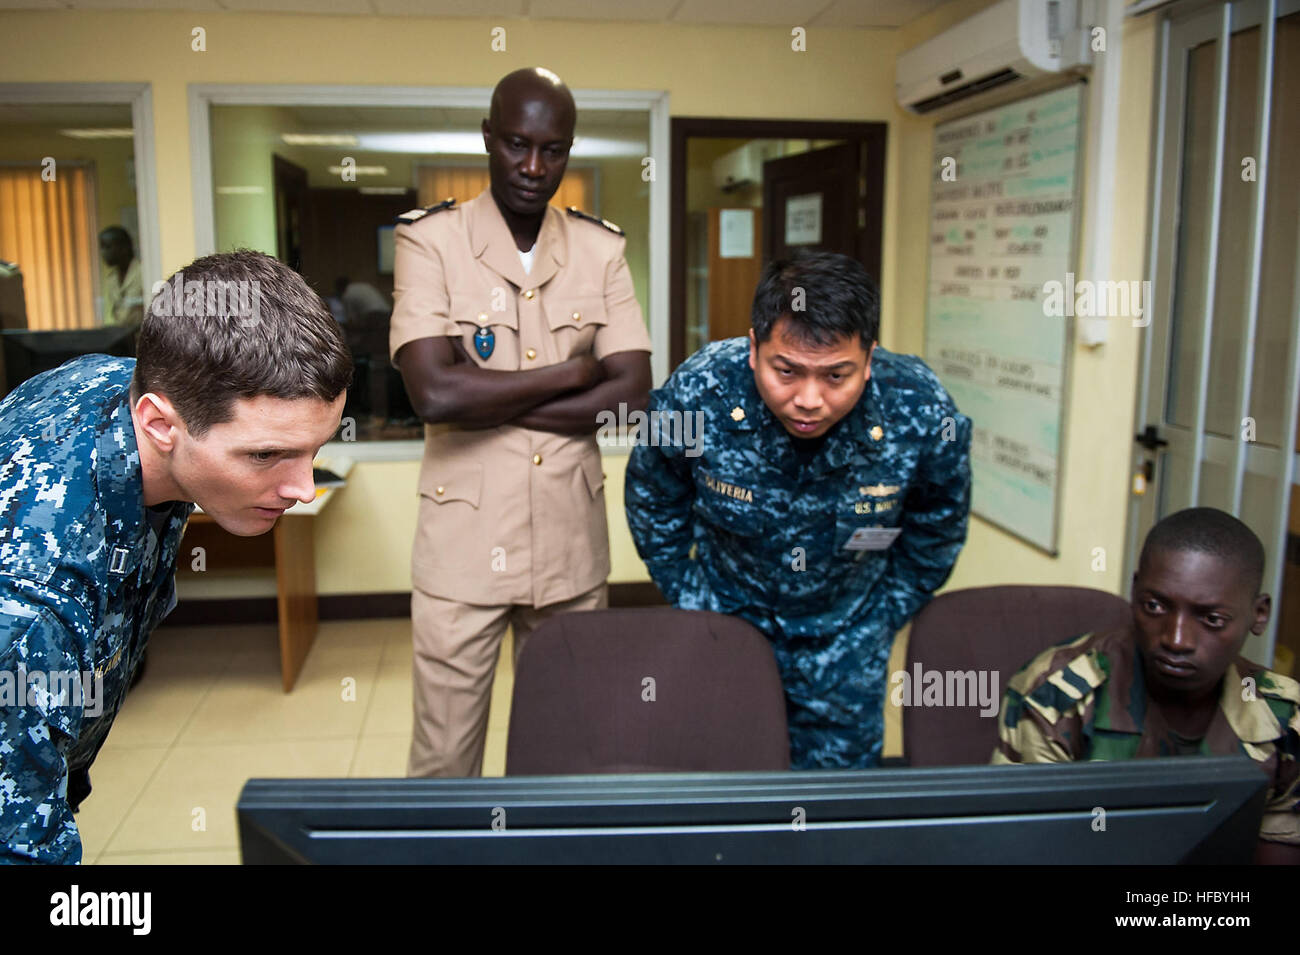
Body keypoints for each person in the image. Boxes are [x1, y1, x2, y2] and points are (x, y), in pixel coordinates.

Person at [0, 250, 352, 864]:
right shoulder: (32, 611)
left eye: (314, 448)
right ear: (160, 424)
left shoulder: (128, 387)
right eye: (266, 456)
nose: (303, 488)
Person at [390, 67, 652, 778]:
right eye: (516, 144)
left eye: (553, 149)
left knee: (568, 753)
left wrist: (493, 392)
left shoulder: (602, 250)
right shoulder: (429, 241)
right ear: (487, 138)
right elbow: (435, 395)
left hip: (570, 548)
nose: (535, 167)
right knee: (444, 762)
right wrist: (572, 373)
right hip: (462, 554)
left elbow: (631, 394)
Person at [625, 251, 972, 769]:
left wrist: (883, 612)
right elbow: (653, 494)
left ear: (869, 359)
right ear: (753, 349)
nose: (809, 399)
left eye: (836, 377)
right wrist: (689, 594)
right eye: (786, 371)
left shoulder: (917, 407)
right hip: (725, 627)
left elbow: (939, 519)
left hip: (846, 642)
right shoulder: (699, 394)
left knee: (838, 815)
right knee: (722, 796)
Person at [992, 507, 1300, 863]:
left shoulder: (1285, 718)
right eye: (1155, 606)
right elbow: (1031, 848)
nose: (1177, 639)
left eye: (1212, 619)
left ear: (1258, 614)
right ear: (1135, 591)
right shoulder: (1058, 695)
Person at [99, 226, 143, 327]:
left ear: (124, 248)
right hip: (124, 337)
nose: (103, 253)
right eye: (102, 248)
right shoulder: (112, 279)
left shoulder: (143, 271)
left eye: (107, 247)